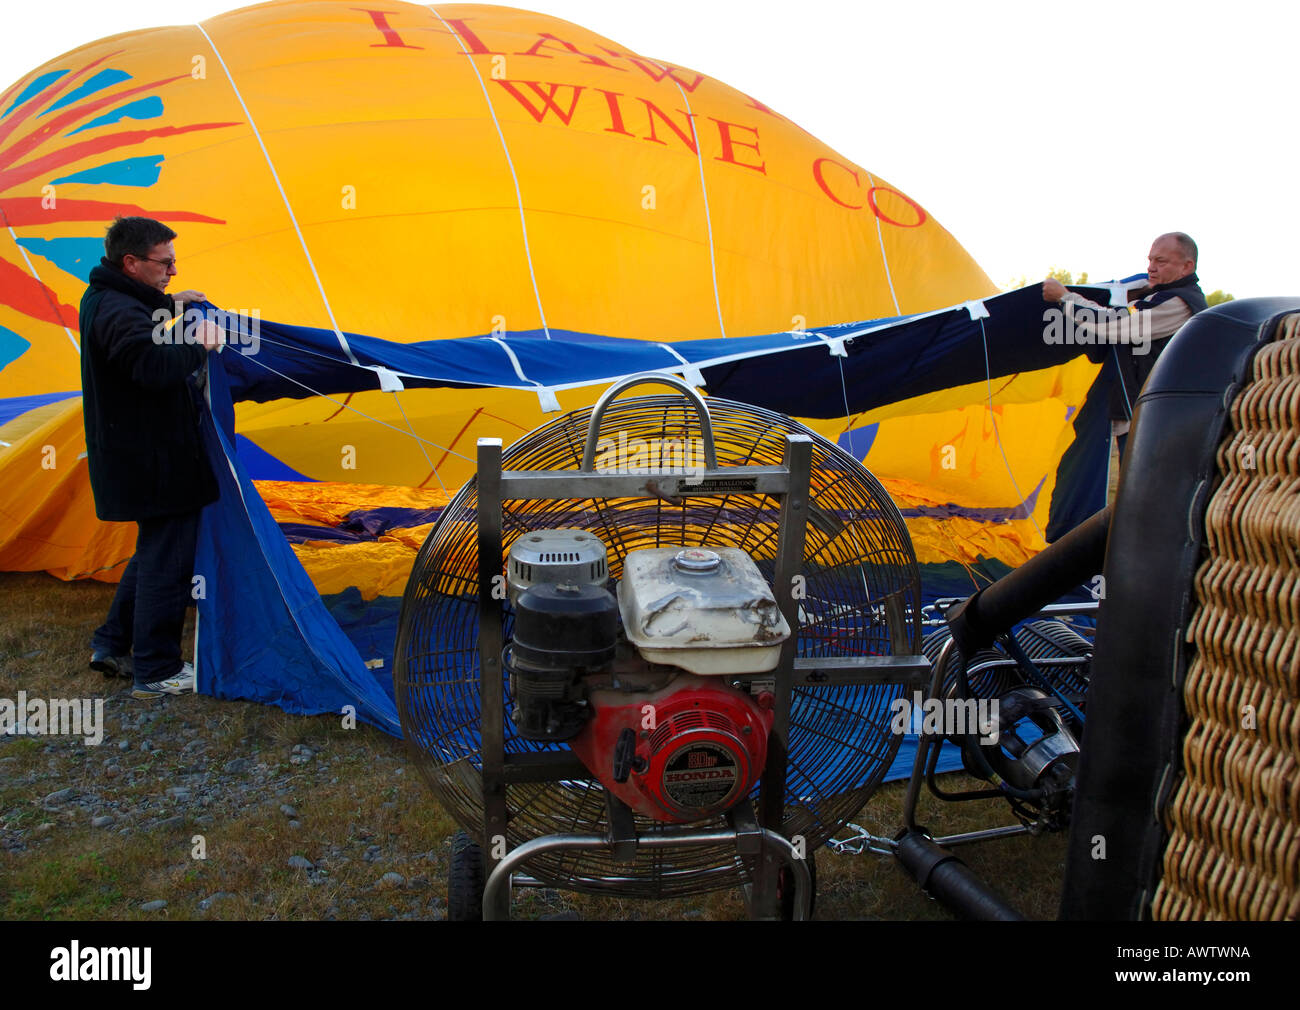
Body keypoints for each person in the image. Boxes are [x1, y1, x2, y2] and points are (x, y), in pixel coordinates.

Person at [81, 216, 224, 699]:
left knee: (153, 552)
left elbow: (140, 322)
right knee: (168, 562)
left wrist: (169, 304)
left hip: (137, 457)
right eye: (165, 264)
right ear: (132, 262)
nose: (173, 272)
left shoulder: (109, 297)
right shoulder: (118, 311)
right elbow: (148, 364)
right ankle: (157, 669)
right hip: (153, 461)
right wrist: (197, 344)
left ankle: (111, 643)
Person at [1043, 232, 1207, 458]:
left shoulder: (1178, 302)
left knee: (1147, 489)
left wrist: (1066, 298)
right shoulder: (1158, 295)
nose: (1151, 268)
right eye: (1150, 260)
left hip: (1157, 418)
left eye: (1161, 261)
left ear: (1186, 267)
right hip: (1145, 414)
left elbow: (1116, 323)